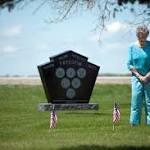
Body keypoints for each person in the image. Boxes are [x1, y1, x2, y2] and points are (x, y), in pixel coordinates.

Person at [127, 25, 150, 126]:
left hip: (149, 78)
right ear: (137, 36)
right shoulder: (131, 47)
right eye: (140, 37)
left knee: (149, 103)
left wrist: (147, 76)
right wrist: (139, 76)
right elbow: (129, 64)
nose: (142, 39)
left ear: (147, 35)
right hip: (136, 78)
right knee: (136, 102)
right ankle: (134, 124)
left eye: (144, 37)